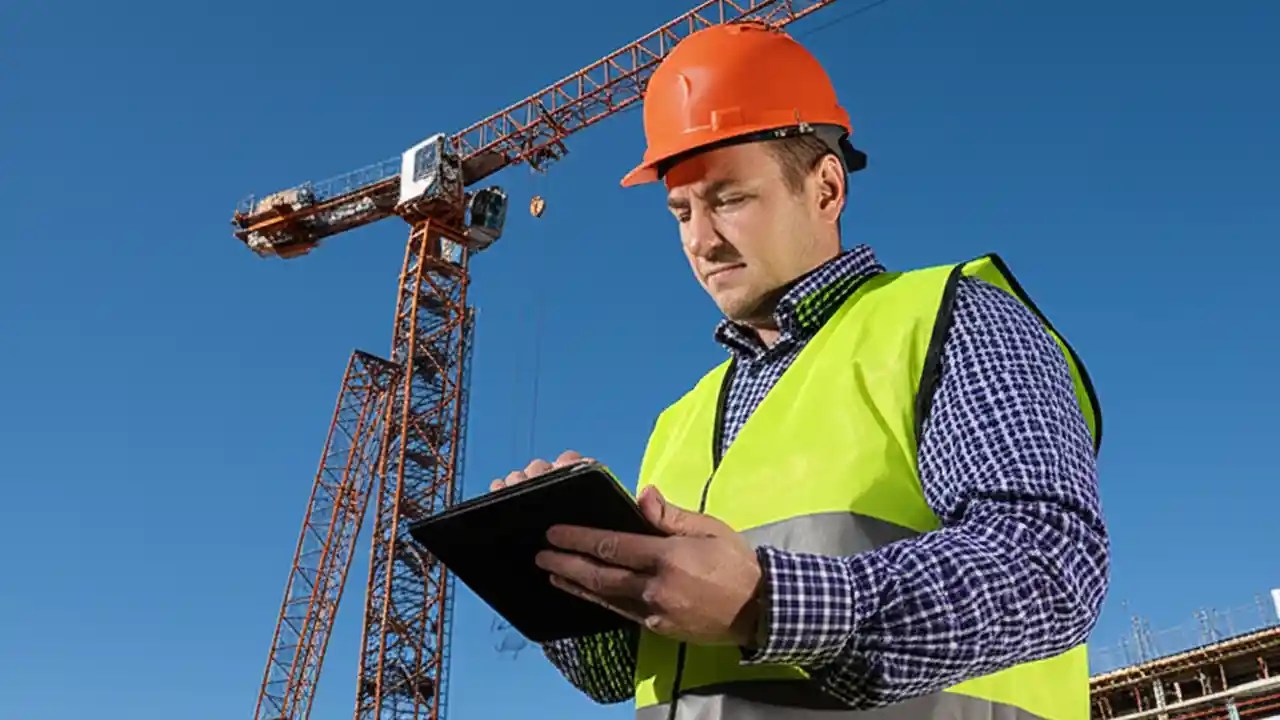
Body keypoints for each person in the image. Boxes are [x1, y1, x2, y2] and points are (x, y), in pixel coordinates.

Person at [491, 20, 1108, 720]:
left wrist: (764, 604)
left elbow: (1050, 570)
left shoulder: (949, 320)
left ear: (826, 188)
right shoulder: (681, 422)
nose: (701, 240)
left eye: (729, 199)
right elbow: (630, 671)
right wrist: (565, 578)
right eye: (681, 212)